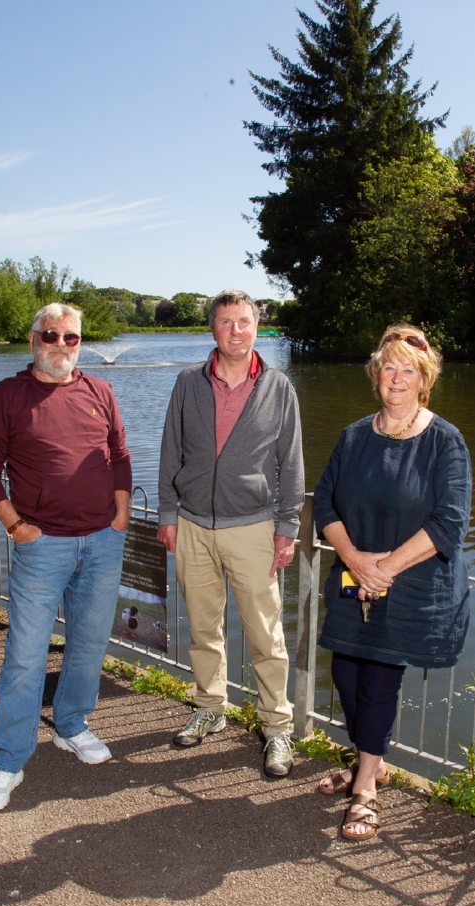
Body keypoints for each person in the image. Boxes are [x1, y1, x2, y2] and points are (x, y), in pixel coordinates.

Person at [0, 303, 131, 814]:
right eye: (51, 336)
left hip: (102, 542)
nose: (62, 345)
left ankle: (71, 725)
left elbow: (121, 455)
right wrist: (15, 524)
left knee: (87, 643)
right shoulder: (8, 395)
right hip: (43, 548)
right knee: (25, 654)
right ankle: (8, 760)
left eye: (71, 338)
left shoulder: (98, 391)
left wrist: (120, 515)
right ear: (33, 337)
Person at [312, 324, 472, 840]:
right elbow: (325, 503)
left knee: (379, 680)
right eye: (388, 368)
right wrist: (355, 559)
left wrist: (385, 568)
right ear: (375, 376)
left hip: (410, 585)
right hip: (354, 576)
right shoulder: (355, 436)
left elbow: (449, 523)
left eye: (409, 370)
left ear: (424, 380)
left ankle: (365, 788)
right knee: (345, 676)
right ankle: (373, 760)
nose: (397, 378)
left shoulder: (445, 441)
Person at [157, 290, 305, 777]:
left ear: (256, 328)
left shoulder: (278, 387)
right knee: (203, 629)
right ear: (213, 329)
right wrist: (167, 513)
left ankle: (277, 727)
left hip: (254, 529)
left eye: (244, 321)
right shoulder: (187, 384)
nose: (236, 330)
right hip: (194, 526)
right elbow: (170, 452)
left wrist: (288, 528)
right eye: (226, 322)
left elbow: (292, 463)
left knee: (265, 634)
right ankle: (210, 708)